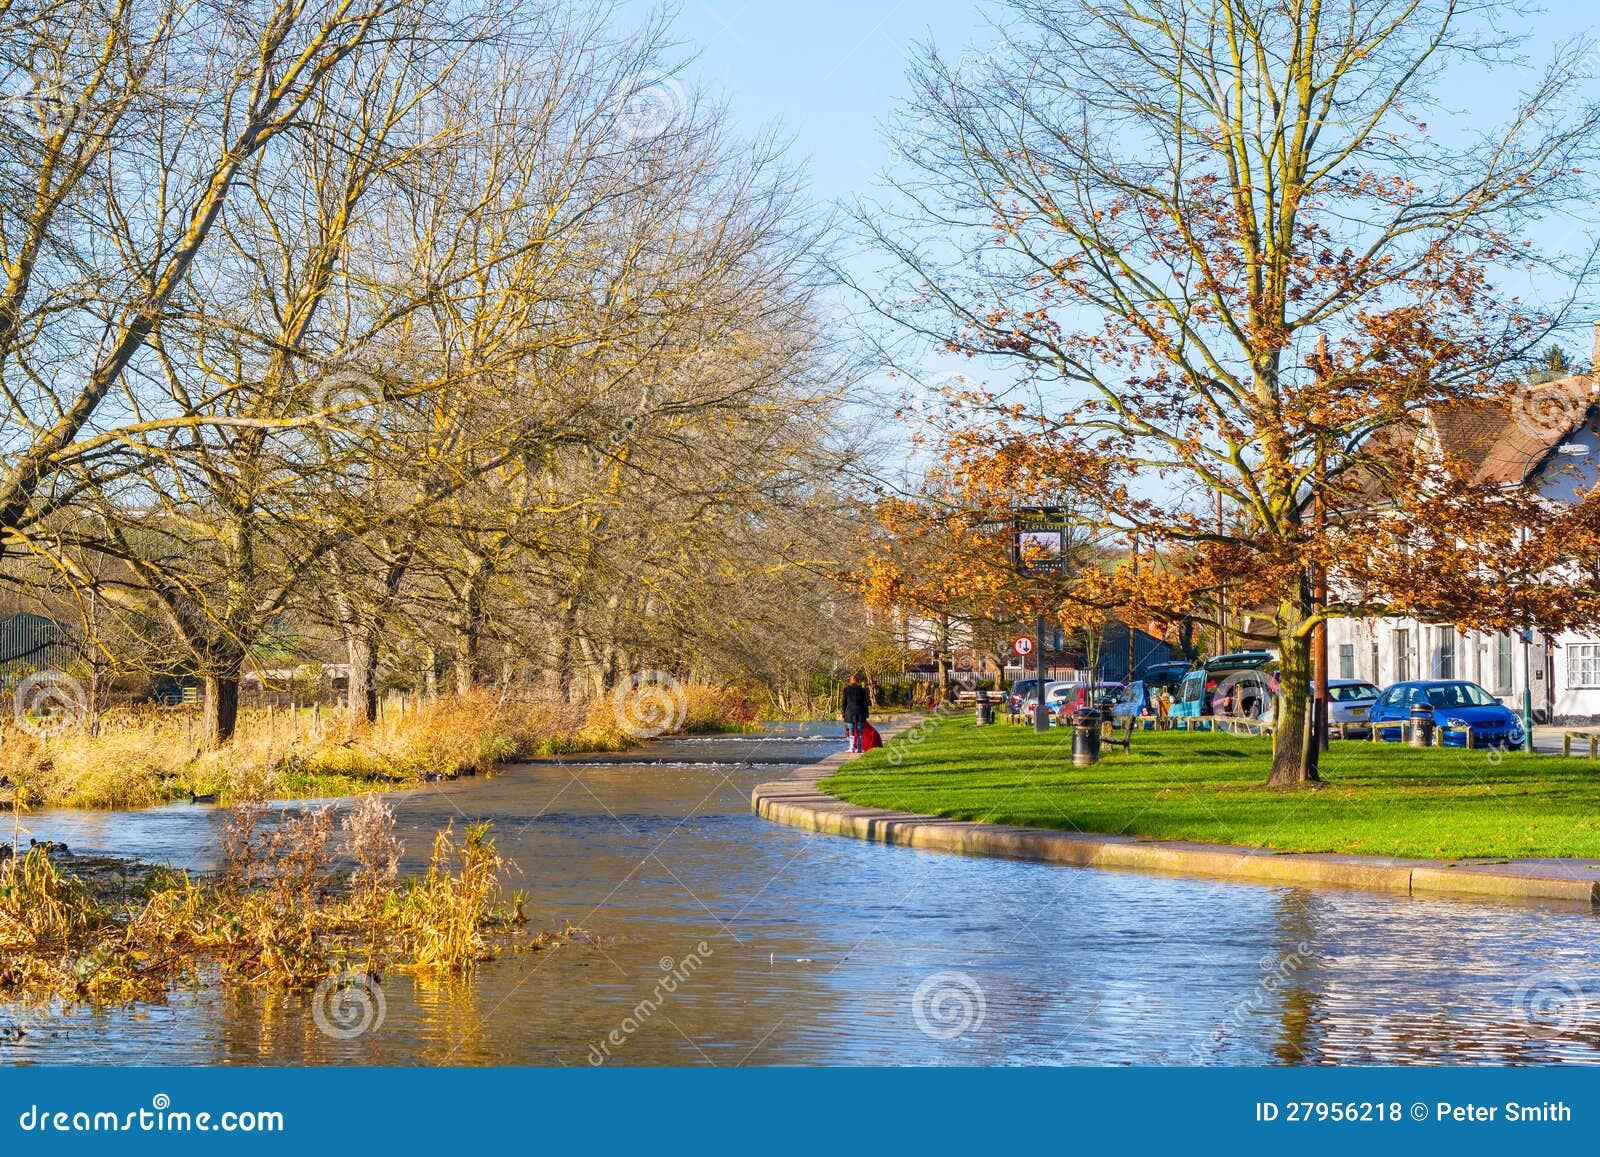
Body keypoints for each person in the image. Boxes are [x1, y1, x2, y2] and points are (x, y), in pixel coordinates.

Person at [841, 674, 870, 752]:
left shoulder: (846, 689)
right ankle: (859, 749)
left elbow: (844, 702)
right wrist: (866, 714)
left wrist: (843, 712)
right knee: (860, 732)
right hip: (860, 712)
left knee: (851, 731)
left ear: (851, 681)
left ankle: (852, 747)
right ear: (858, 681)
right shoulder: (863, 690)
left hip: (849, 712)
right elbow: (865, 703)